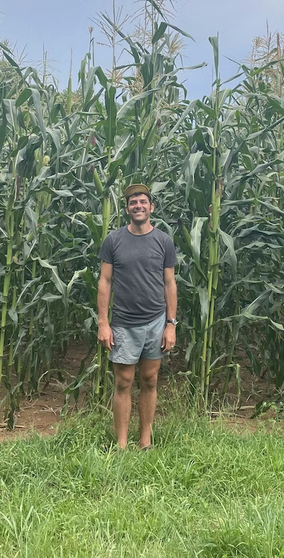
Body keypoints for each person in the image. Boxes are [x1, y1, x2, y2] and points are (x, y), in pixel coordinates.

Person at [97, 183, 178, 450]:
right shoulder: (114, 240)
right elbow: (105, 282)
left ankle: (145, 441)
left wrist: (170, 324)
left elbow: (169, 284)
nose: (138, 206)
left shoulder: (163, 241)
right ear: (127, 209)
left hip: (156, 321)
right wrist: (103, 323)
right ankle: (121, 445)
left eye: (143, 201)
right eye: (133, 202)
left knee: (150, 379)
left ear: (151, 207)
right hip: (123, 322)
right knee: (123, 381)